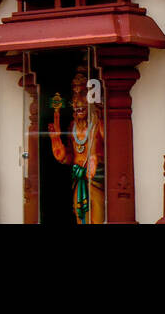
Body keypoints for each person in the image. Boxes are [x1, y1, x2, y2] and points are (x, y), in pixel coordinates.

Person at [48, 64, 105, 225]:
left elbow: (112, 154)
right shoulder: (72, 127)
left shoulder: (99, 125)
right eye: (74, 94)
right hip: (78, 182)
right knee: (80, 219)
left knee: (98, 219)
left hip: (97, 183)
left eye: (83, 93)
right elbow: (69, 157)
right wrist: (57, 144)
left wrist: (95, 158)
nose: (77, 100)